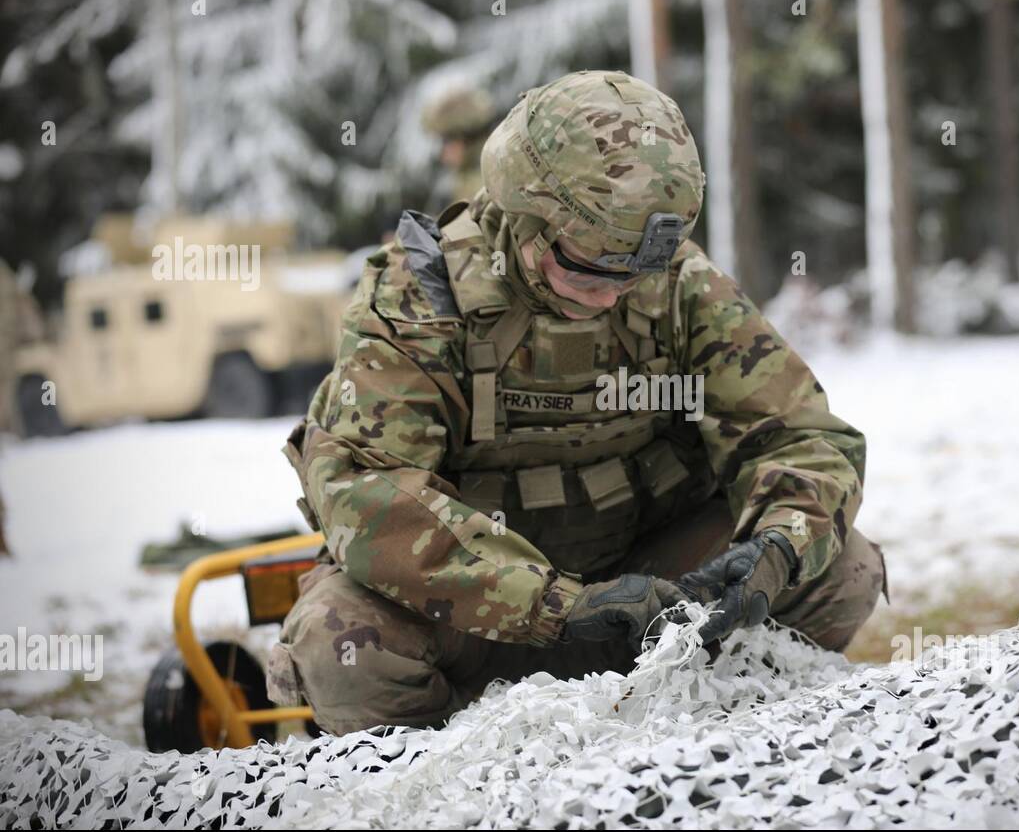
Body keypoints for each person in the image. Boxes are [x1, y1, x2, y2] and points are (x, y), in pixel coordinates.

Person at [268, 71, 886, 735]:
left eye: (633, 272)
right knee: (346, 649)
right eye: (588, 269)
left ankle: (727, 751)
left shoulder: (678, 284)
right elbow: (366, 487)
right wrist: (558, 606)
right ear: (525, 213)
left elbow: (799, 435)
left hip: (652, 589)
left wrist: (775, 548)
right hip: (480, 613)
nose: (612, 296)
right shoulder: (422, 294)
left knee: (840, 568)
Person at [420, 83, 496, 206]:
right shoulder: (463, 180)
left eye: (445, 141)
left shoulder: (486, 186)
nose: (442, 153)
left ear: (466, 139)